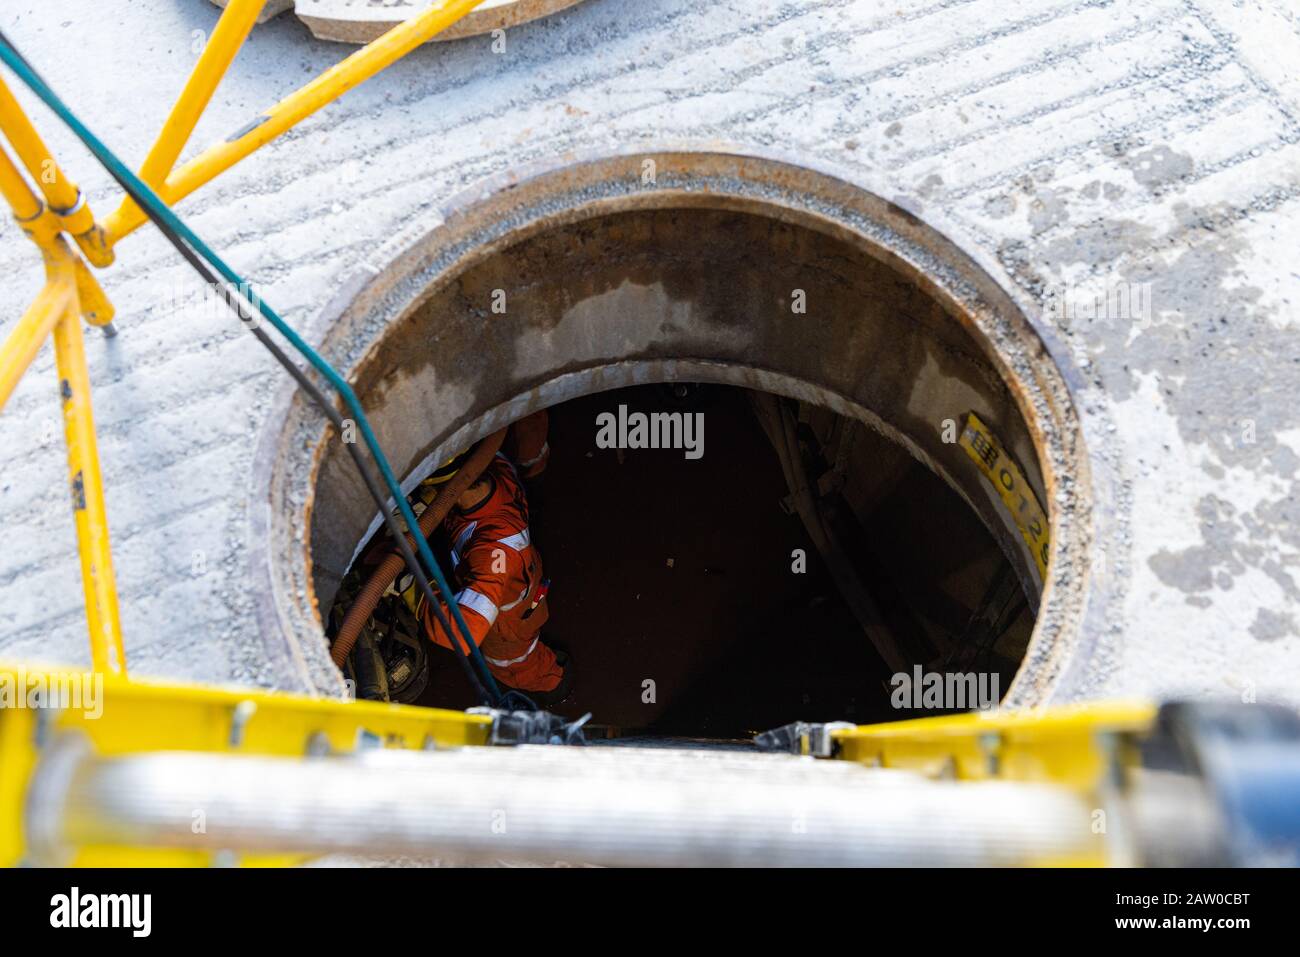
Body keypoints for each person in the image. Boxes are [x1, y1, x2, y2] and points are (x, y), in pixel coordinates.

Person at [407, 412, 571, 706]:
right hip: (522, 581)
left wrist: (417, 594)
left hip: (506, 620)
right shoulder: (494, 463)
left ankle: (551, 681)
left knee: (509, 662)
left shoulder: (494, 550)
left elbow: (462, 631)